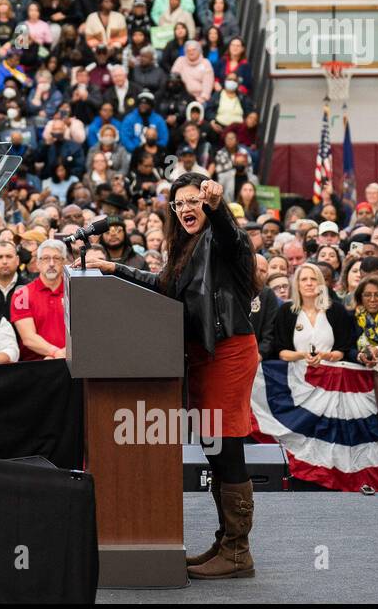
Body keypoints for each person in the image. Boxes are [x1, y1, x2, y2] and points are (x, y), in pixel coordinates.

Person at [86, 173, 260, 580]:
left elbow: (232, 236)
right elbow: (162, 286)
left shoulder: (220, 239)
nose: (186, 208)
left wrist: (218, 206)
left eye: (194, 200)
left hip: (229, 354)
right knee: (215, 451)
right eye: (179, 203)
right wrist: (115, 268)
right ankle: (225, 542)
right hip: (201, 358)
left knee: (227, 450)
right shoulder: (187, 248)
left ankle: (238, 552)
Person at [269, 262, 358, 364]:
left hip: (330, 374)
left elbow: (342, 351)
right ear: (297, 285)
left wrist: (324, 356)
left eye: (313, 279)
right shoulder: (286, 311)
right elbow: (282, 352)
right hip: (296, 376)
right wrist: (303, 355)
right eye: (304, 279)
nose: (309, 283)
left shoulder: (337, 310)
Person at [10, 239, 69, 361]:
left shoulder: (75, 292)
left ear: (64, 263)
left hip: (74, 362)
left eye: (57, 258)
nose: (51, 263)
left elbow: (84, 331)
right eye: (46, 258)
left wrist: (68, 353)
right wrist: (56, 353)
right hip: (36, 366)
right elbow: (28, 338)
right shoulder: (22, 294)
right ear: (38, 263)